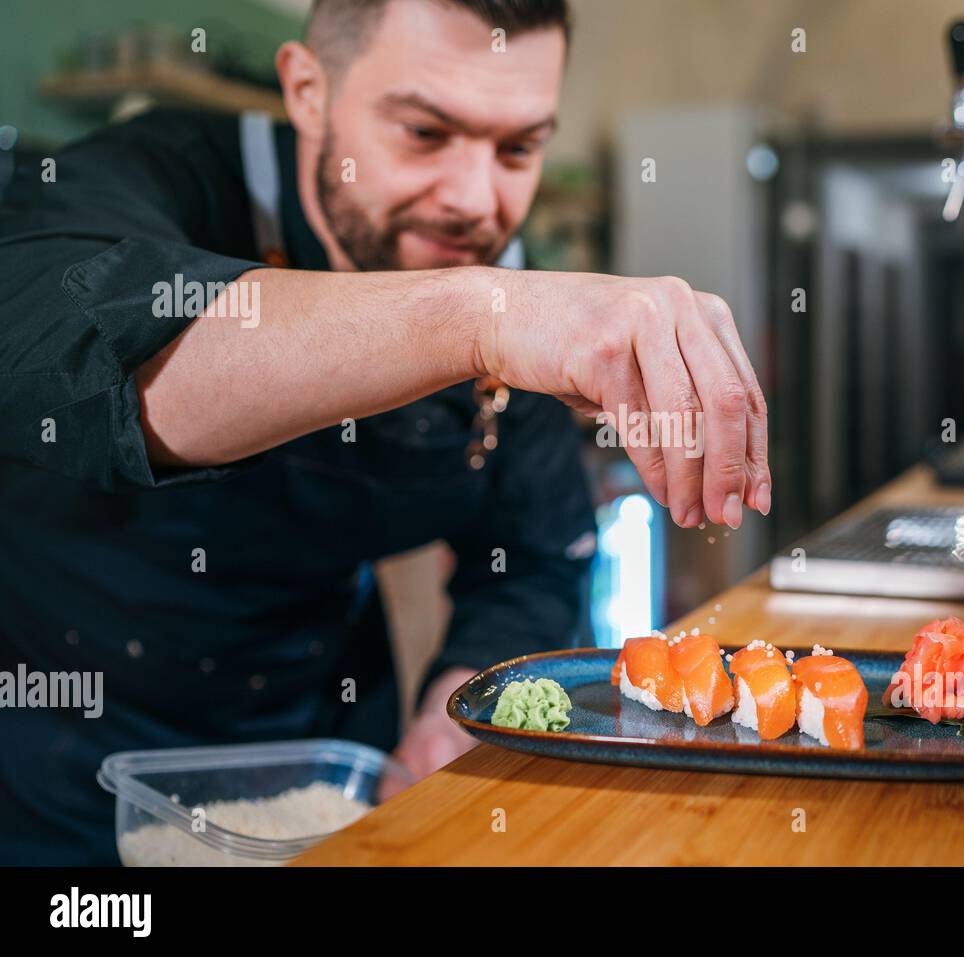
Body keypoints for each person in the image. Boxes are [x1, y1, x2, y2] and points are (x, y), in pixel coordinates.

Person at [0, 0, 769, 864]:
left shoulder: (495, 290)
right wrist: (476, 315)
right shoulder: (155, 176)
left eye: (518, 147)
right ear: (308, 92)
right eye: (425, 132)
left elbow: (534, 556)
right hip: (65, 775)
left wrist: (461, 699)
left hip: (326, 766)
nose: (477, 201)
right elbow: (76, 350)